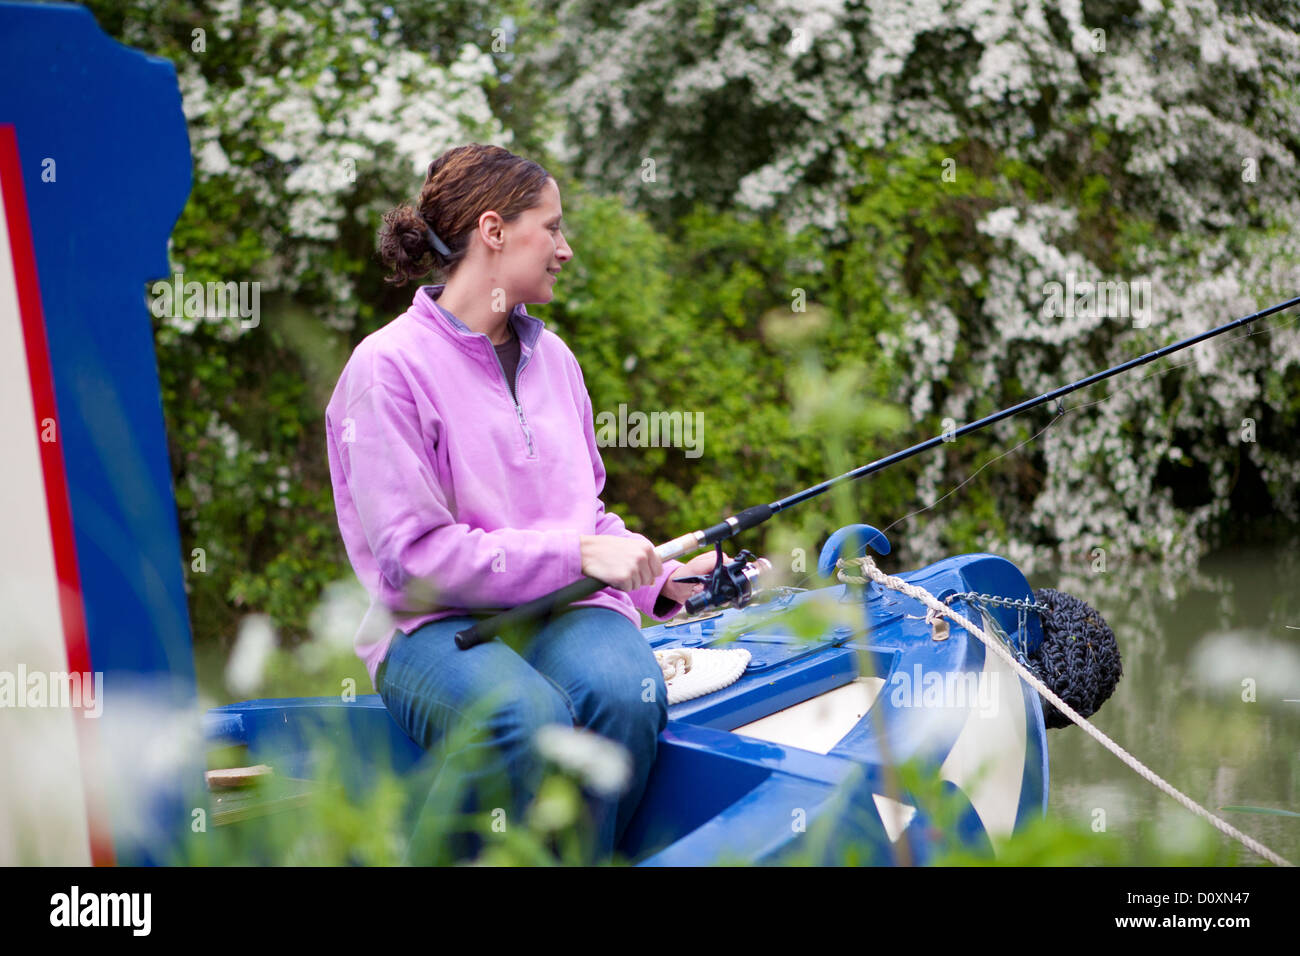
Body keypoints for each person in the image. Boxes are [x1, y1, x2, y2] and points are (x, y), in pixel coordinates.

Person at [325, 143, 716, 863]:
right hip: (433, 627)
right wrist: (576, 554)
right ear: (494, 230)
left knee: (627, 691)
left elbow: (585, 513)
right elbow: (415, 563)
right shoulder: (386, 369)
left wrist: (661, 574)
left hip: (561, 607)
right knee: (521, 716)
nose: (565, 249)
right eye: (554, 227)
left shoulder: (555, 358)